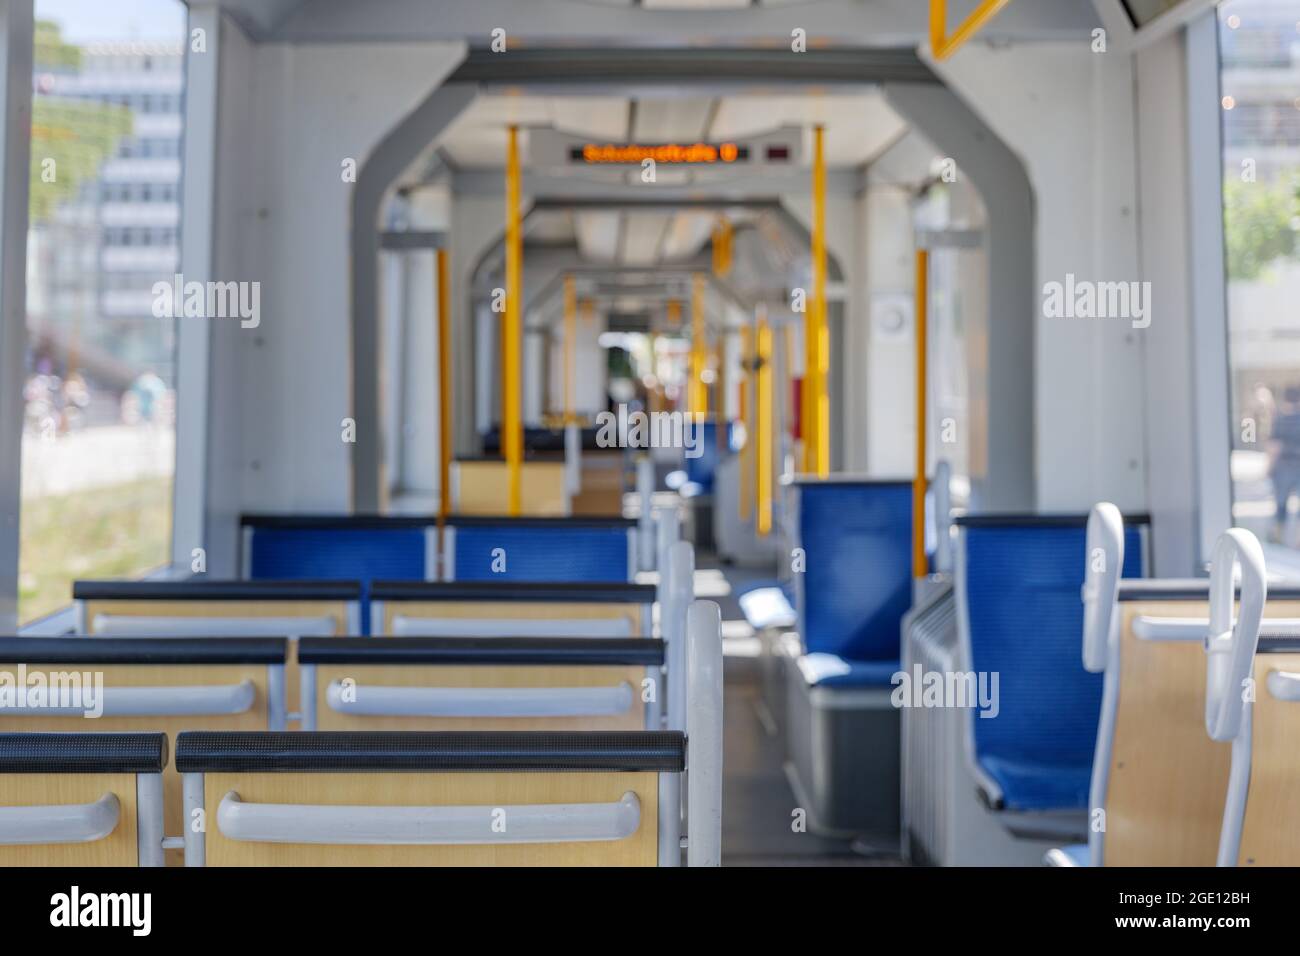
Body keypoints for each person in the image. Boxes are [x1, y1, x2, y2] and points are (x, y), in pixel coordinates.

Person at [1269, 385, 1300, 541]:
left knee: (1281, 503)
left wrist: (1269, 466)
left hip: (1283, 466)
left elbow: (1275, 446)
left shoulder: (1280, 419)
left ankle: (1278, 536)